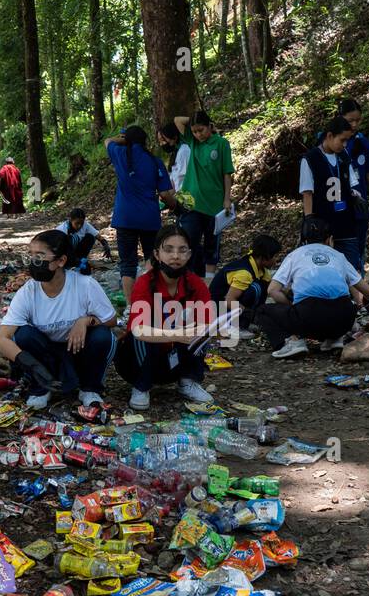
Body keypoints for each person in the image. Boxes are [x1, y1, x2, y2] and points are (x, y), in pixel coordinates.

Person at [0, 229, 117, 410]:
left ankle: (90, 388)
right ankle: (40, 387)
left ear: (61, 261)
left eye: (40, 256)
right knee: (23, 335)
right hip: (45, 354)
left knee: (102, 335)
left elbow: (111, 320)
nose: (34, 262)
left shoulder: (84, 285)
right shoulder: (29, 291)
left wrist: (85, 320)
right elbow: (1, 340)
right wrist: (30, 363)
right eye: (31, 255)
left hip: (77, 349)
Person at [115, 224, 217, 409]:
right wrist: (177, 334)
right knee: (142, 332)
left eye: (182, 250)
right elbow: (138, 330)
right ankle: (141, 386)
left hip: (173, 362)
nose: (175, 256)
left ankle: (188, 380)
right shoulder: (145, 283)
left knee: (201, 331)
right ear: (156, 254)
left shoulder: (196, 284)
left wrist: (198, 329)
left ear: (189, 254)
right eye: (168, 250)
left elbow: (208, 322)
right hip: (136, 362)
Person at [256, 218, 369, 358]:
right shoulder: (339, 256)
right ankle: (334, 339)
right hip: (344, 320)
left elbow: (272, 290)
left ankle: (290, 343)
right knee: (336, 307)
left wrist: (292, 305)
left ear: (302, 239)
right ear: (330, 239)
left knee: (263, 310)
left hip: (309, 318)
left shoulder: (294, 255)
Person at [107, 126, 178, 300]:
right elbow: (164, 194)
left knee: (128, 264)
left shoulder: (121, 155)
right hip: (149, 218)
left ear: (127, 140)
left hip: (125, 219)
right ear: (145, 141)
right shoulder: (154, 161)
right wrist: (175, 206)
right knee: (152, 258)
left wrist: (122, 138)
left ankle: (132, 308)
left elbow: (107, 141)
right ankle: (153, 300)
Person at [299, 115, 363, 271]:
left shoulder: (343, 156)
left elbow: (352, 183)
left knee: (351, 267)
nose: (345, 144)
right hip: (323, 225)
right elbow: (307, 192)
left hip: (346, 222)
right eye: (342, 140)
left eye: (347, 140)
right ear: (329, 136)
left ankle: (355, 295)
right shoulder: (311, 159)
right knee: (325, 267)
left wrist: (355, 196)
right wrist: (309, 219)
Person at [178, 110, 235, 277]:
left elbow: (227, 173)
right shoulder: (192, 142)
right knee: (188, 244)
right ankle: (188, 284)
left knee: (212, 247)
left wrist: (227, 199)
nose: (198, 134)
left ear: (210, 126)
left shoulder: (221, 144)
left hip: (214, 204)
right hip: (190, 203)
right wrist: (194, 119)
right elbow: (177, 120)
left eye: (201, 130)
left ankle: (209, 288)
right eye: (194, 131)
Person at [337, 98, 369, 272]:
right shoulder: (330, 141)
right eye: (350, 120)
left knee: (358, 248)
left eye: (358, 120)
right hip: (338, 206)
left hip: (360, 205)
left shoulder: (362, 143)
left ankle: (359, 287)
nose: (354, 124)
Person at [210, 233, 282, 335]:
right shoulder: (244, 273)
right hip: (216, 308)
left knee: (263, 286)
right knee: (254, 289)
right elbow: (229, 300)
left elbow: (271, 290)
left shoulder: (263, 271)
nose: (276, 260)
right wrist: (249, 314)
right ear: (263, 257)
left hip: (228, 307)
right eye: (274, 256)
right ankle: (232, 325)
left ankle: (245, 322)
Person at [157, 116, 192, 192]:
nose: (162, 143)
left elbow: (184, 178)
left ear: (174, 136)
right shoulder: (176, 151)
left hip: (186, 196)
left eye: (164, 139)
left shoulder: (184, 150)